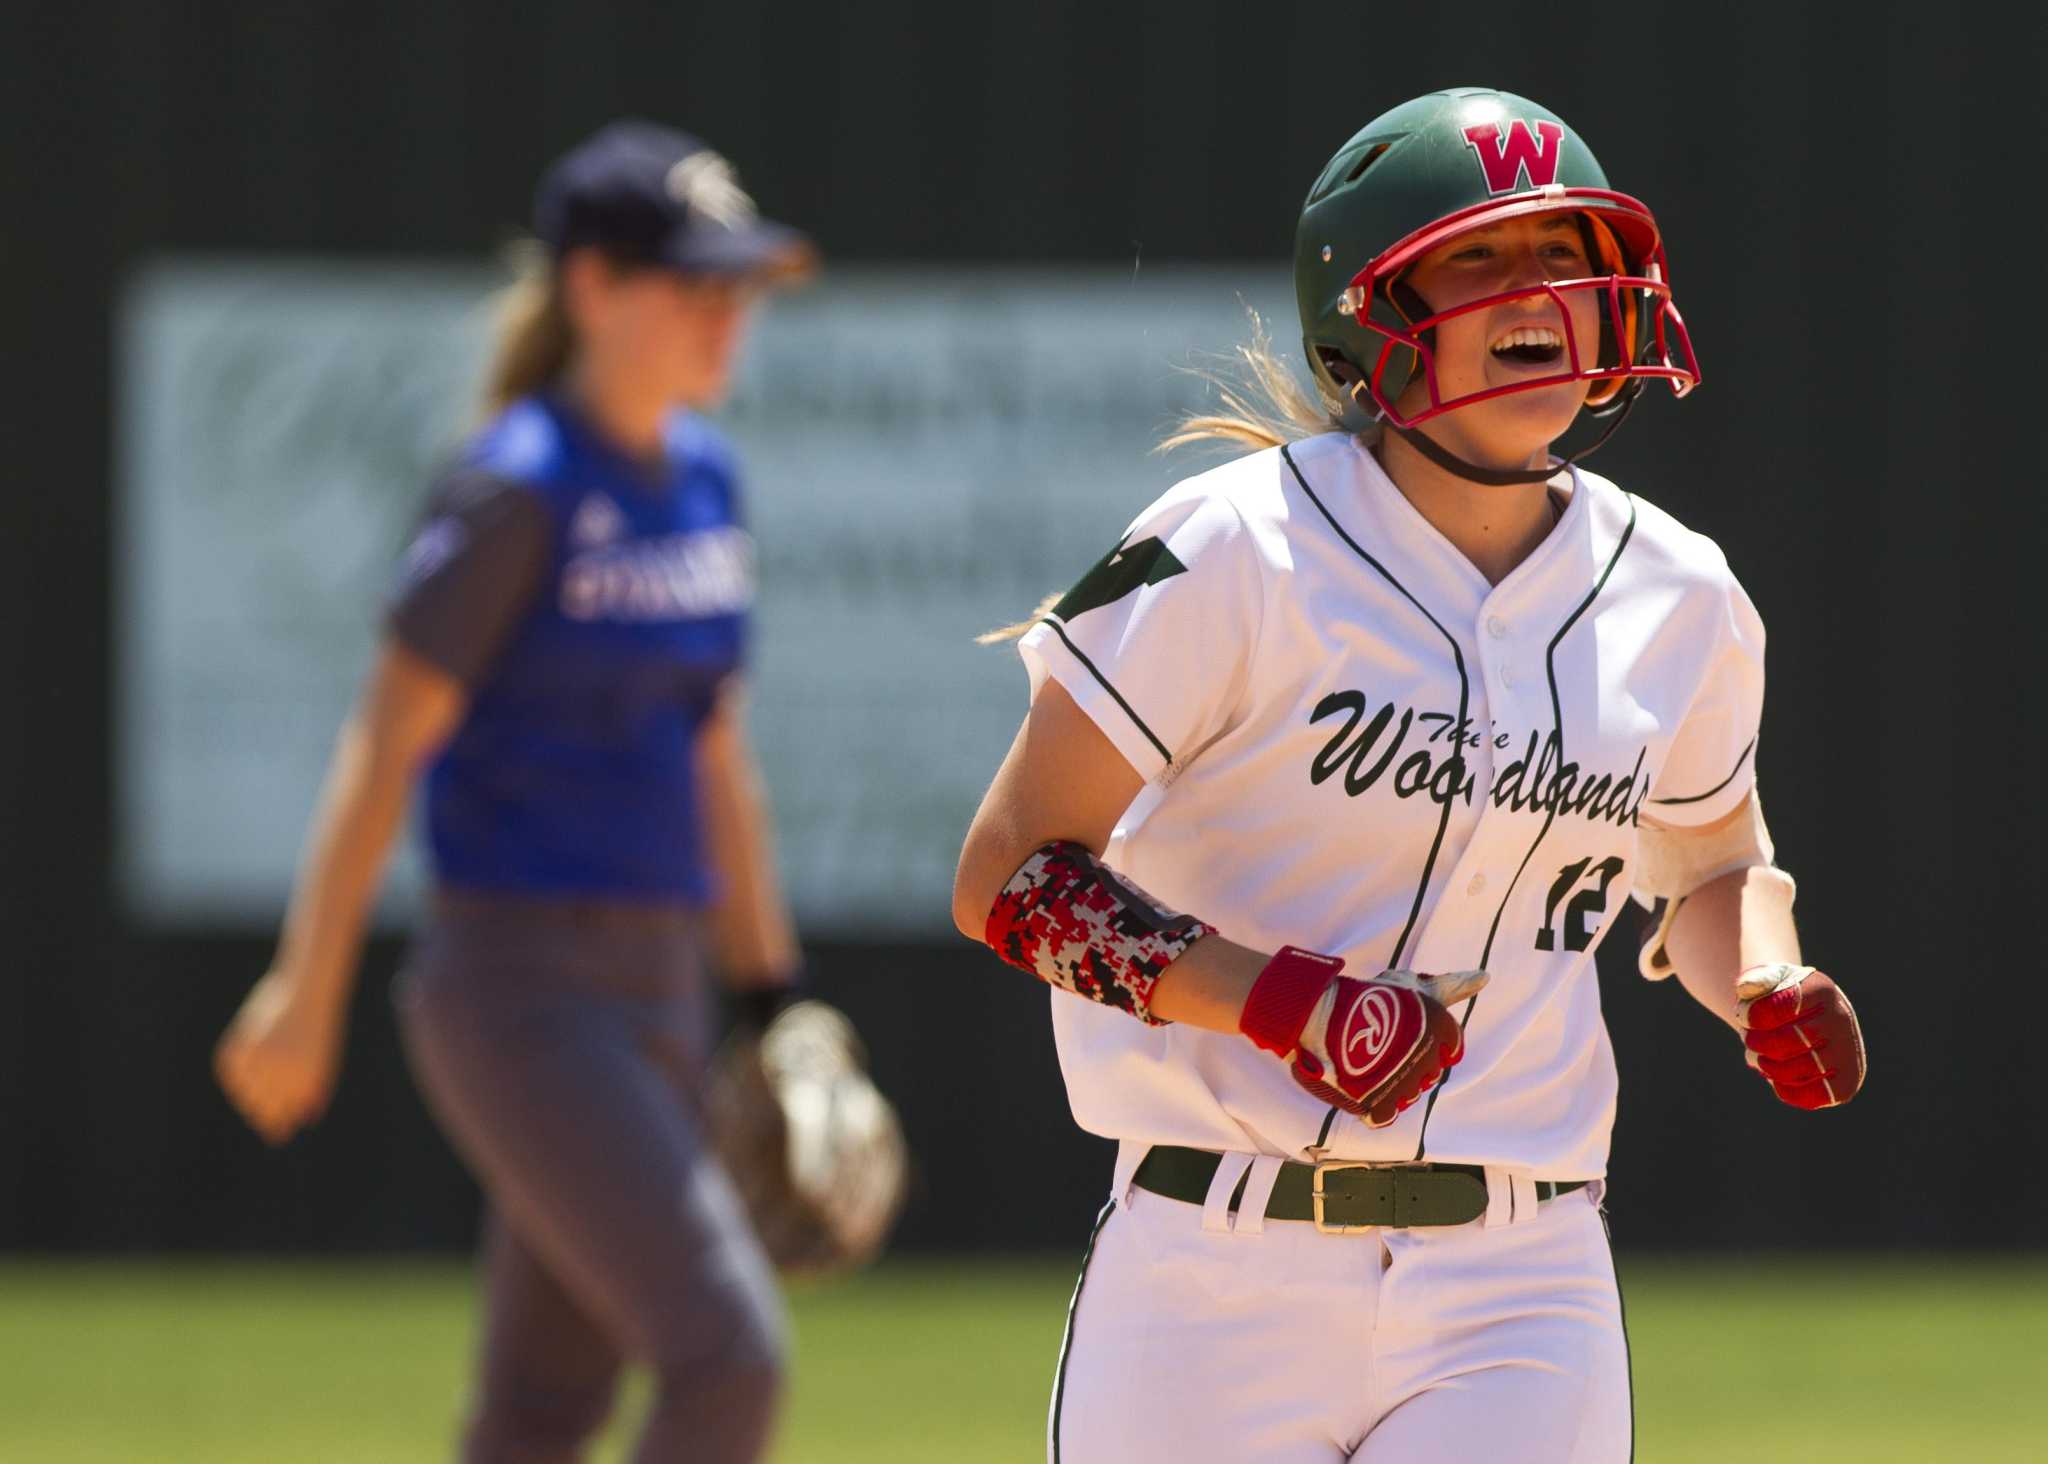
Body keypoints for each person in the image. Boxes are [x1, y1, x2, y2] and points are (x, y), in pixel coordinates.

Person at [953, 87, 1866, 1463]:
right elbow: (1011, 881)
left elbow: (1714, 864)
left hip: (1522, 1274)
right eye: (1478, 257)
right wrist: (1278, 1002)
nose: (1537, 291)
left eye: (1566, 254)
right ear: (1367, 314)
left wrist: (1766, 980)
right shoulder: (1232, 546)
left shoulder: (1682, 594)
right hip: (1215, 1267)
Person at [214, 119, 819, 1464]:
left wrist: (774, 1000)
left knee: (540, 1412)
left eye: (740, 285)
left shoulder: (706, 478)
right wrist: (302, 992)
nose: (729, 314)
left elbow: (716, 756)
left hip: (665, 983)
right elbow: (382, 745)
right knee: (728, 1359)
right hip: (524, 994)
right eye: (694, 282)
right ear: (593, 287)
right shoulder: (520, 487)